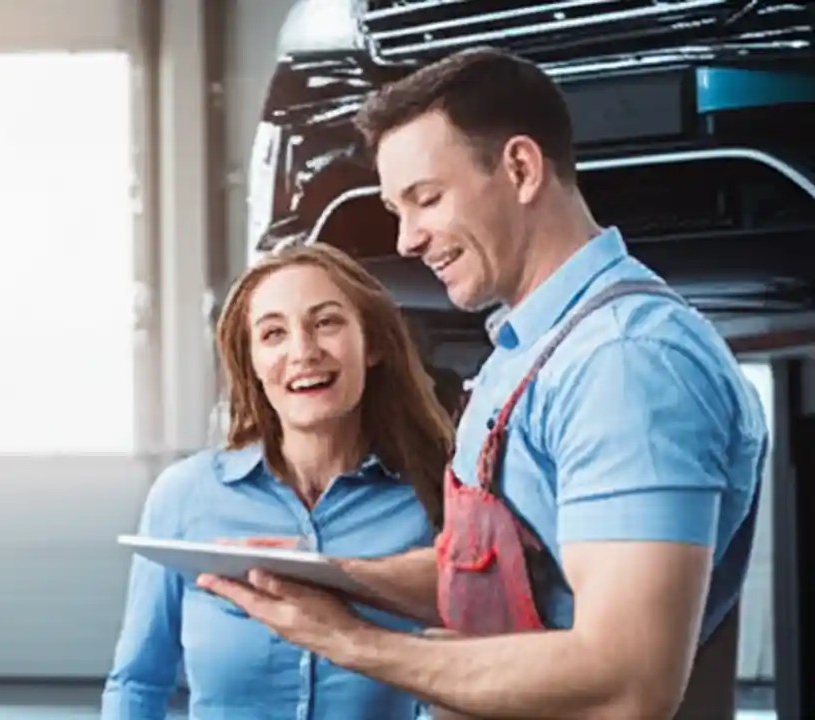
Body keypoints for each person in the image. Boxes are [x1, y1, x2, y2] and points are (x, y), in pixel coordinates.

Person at [198, 46, 767, 720]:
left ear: (521, 169)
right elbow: (492, 577)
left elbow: (626, 676)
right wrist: (331, 577)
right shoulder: (524, 353)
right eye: (396, 208)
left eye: (426, 199)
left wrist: (351, 642)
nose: (406, 239)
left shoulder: (626, 361)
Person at [102, 243, 456, 718]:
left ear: (372, 344)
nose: (303, 352)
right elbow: (138, 681)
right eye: (273, 334)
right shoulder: (185, 496)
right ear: (250, 362)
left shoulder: (437, 497)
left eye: (326, 322)